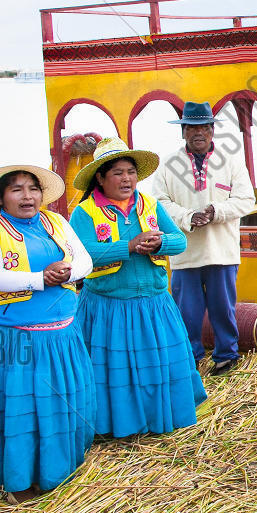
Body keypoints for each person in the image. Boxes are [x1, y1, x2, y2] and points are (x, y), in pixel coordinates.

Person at [0, 163, 95, 503]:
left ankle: (55, 470)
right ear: (1, 197)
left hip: (61, 334)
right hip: (14, 337)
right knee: (19, 407)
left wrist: (66, 272)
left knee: (59, 401)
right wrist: (39, 278)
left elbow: (85, 260)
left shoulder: (57, 223)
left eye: (33, 188)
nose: (27, 196)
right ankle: (19, 481)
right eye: (17, 189)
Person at [68, 136, 207, 438]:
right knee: (114, 370)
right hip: (109, 308)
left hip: (154, 305)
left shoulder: (150, 205)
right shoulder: (85, 212)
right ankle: (115, 426)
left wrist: (161, 242)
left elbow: (180, 241)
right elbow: (82, 253)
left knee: (157, 366)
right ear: (100, 178)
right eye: (117, 172)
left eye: (130, 171)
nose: (126, 178)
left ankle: (160, 419)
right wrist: (128, 247)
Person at [148, 101, 256, 376]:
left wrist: (214, 211)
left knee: (223, 308)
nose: (198, 133)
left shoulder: (231, 161)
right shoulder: (168, 166)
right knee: (187, 312)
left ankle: (226, 356)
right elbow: (158, 203)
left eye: (203, 127)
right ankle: (190, 357)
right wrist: (187, 217)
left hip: (222, 252)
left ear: (212, 130)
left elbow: (245, 200)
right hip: (184, 253)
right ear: (183, 131)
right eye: (192, 127)